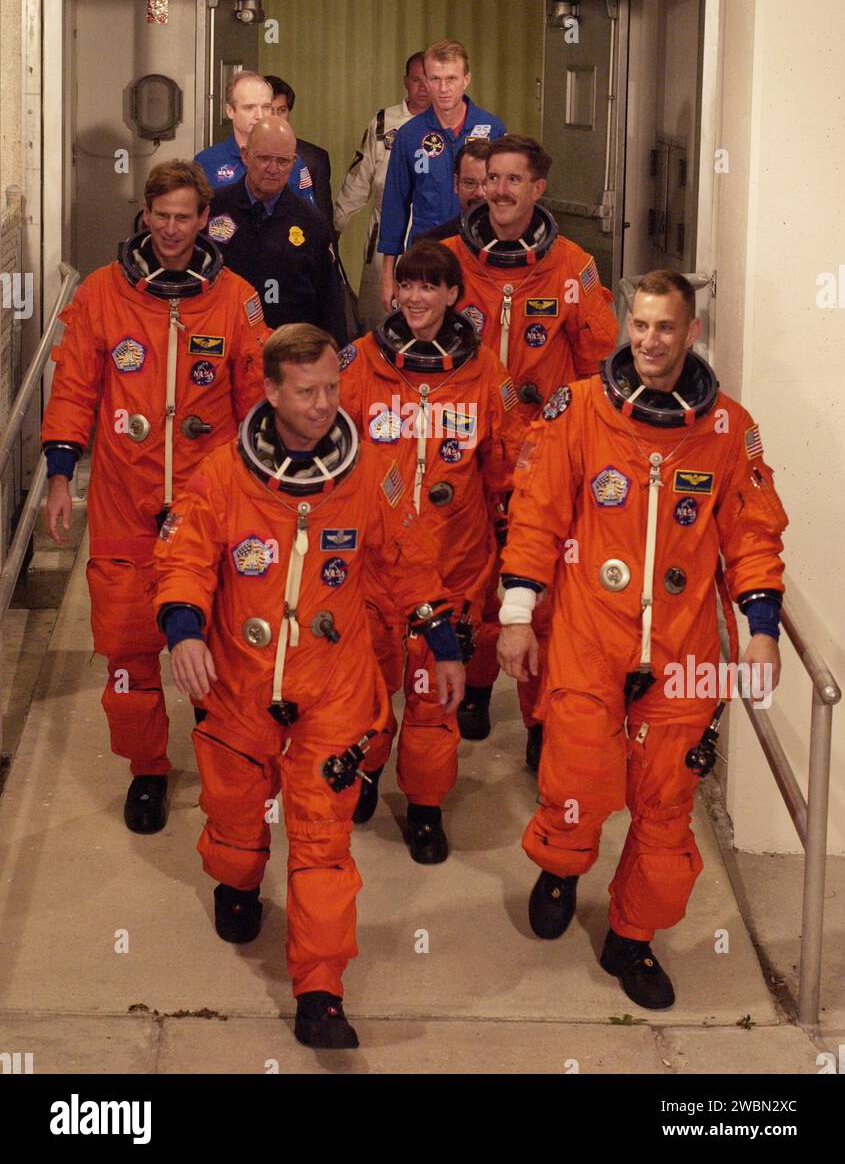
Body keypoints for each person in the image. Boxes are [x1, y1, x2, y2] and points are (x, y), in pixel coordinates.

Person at [154, 323, 465, 1049]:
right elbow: (184, 555)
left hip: (334, 686)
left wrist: (442, 641)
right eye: (306, 391)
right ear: (268, 391)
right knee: (235, 815)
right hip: (239, 682)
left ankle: (320, 990)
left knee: (324, 843)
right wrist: (184, 629)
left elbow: (407, 563)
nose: (325, 403)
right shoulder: (224, 473)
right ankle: (235, 880)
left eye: (331, 387)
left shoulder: (372, 474)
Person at [497, 270, 788, 1010]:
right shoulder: (581, 410)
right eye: (639, 325)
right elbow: (536, 512)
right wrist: (515, 612)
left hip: (683, 657)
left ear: (691, 333)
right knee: (576, 779)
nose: (649, 341)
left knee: (664, 808)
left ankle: (632, 937)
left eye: (665, 327)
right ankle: (562, 868)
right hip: (591, 637)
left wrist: (759, 632)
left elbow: (751, 535)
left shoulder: (727, 428)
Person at [42, 160, 269, 834]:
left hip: (210, 506)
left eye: (184, 217)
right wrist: (60, 472)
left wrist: (259, 493)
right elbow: (76, 386)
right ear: (145, 215)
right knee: (127, 646)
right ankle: (147, 769)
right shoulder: (102, 294)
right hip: (123, 502)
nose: (171, 230)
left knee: (218, 644)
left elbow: (255, 400)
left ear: (205, 221)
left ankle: (221, 754)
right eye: (160, 216)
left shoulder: (237, 300)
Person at [338, 241, 523, 862]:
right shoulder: (360, 364)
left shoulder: (486, 374)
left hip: (454, 567)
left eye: (428, 287)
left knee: (432, 697)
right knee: (360, 693)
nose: (414, 297)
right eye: (406, 286)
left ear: (452, 296)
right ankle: (364, 771)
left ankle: (424, 807)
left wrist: (518, 553)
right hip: (372, 567)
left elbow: (509, 471)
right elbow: (329, 459)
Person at [442, 134, 619, 754]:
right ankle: (477, 688)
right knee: (471, 581)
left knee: (538, 591)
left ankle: (542, 717)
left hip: (544, 451)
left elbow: (598, 364)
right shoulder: (448, 258)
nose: (501, 190)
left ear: (537, 189)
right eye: (493, 178)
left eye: (514, 179)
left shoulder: (573, 264)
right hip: (465, 446)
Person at [378, 41, 507, 313]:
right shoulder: (410, 135)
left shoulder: (492, 129)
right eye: (435, 79)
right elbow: (394, 205)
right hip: (428, 256)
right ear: (425, 80)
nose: (444, 88)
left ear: (466, 80)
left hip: (482, 254)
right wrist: (388, 274)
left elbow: (506, 199)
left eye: (451, 79)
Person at [207, 117, 346, 347]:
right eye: (263, 158)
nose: (273, 169)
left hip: (288, 353)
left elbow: (330, 304)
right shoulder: (213, 209)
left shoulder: (312, 223)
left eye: (282, 161)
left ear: (293, 163)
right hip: (224, 345)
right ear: (245, 155)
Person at [333, 52, 431, 331]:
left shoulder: (448, 125)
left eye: (429, 80)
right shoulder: (383, 122)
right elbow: (359, 180)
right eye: (416, 80)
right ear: (405, 82)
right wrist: (333, 228)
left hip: (430, 228)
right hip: (384, 231)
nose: (423, 88)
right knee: (377, 316)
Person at [194, 71, 316, 204]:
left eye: (266, 107)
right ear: (230, 111)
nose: (259, 115)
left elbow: (308, 218)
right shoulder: (206, 162)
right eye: (249, 107)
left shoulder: (290, 162)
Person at [264, 74, 333, 230]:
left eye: (282, 110)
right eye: (269, 110)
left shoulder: (313, 159)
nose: (275, 117)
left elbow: (324, 222)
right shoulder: (245, 154)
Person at [411, 139, 490, 243]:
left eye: (487, 183)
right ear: (456, 184)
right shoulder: (431, 244)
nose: (479, 193)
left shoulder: (517, 245)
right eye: (469, 183)